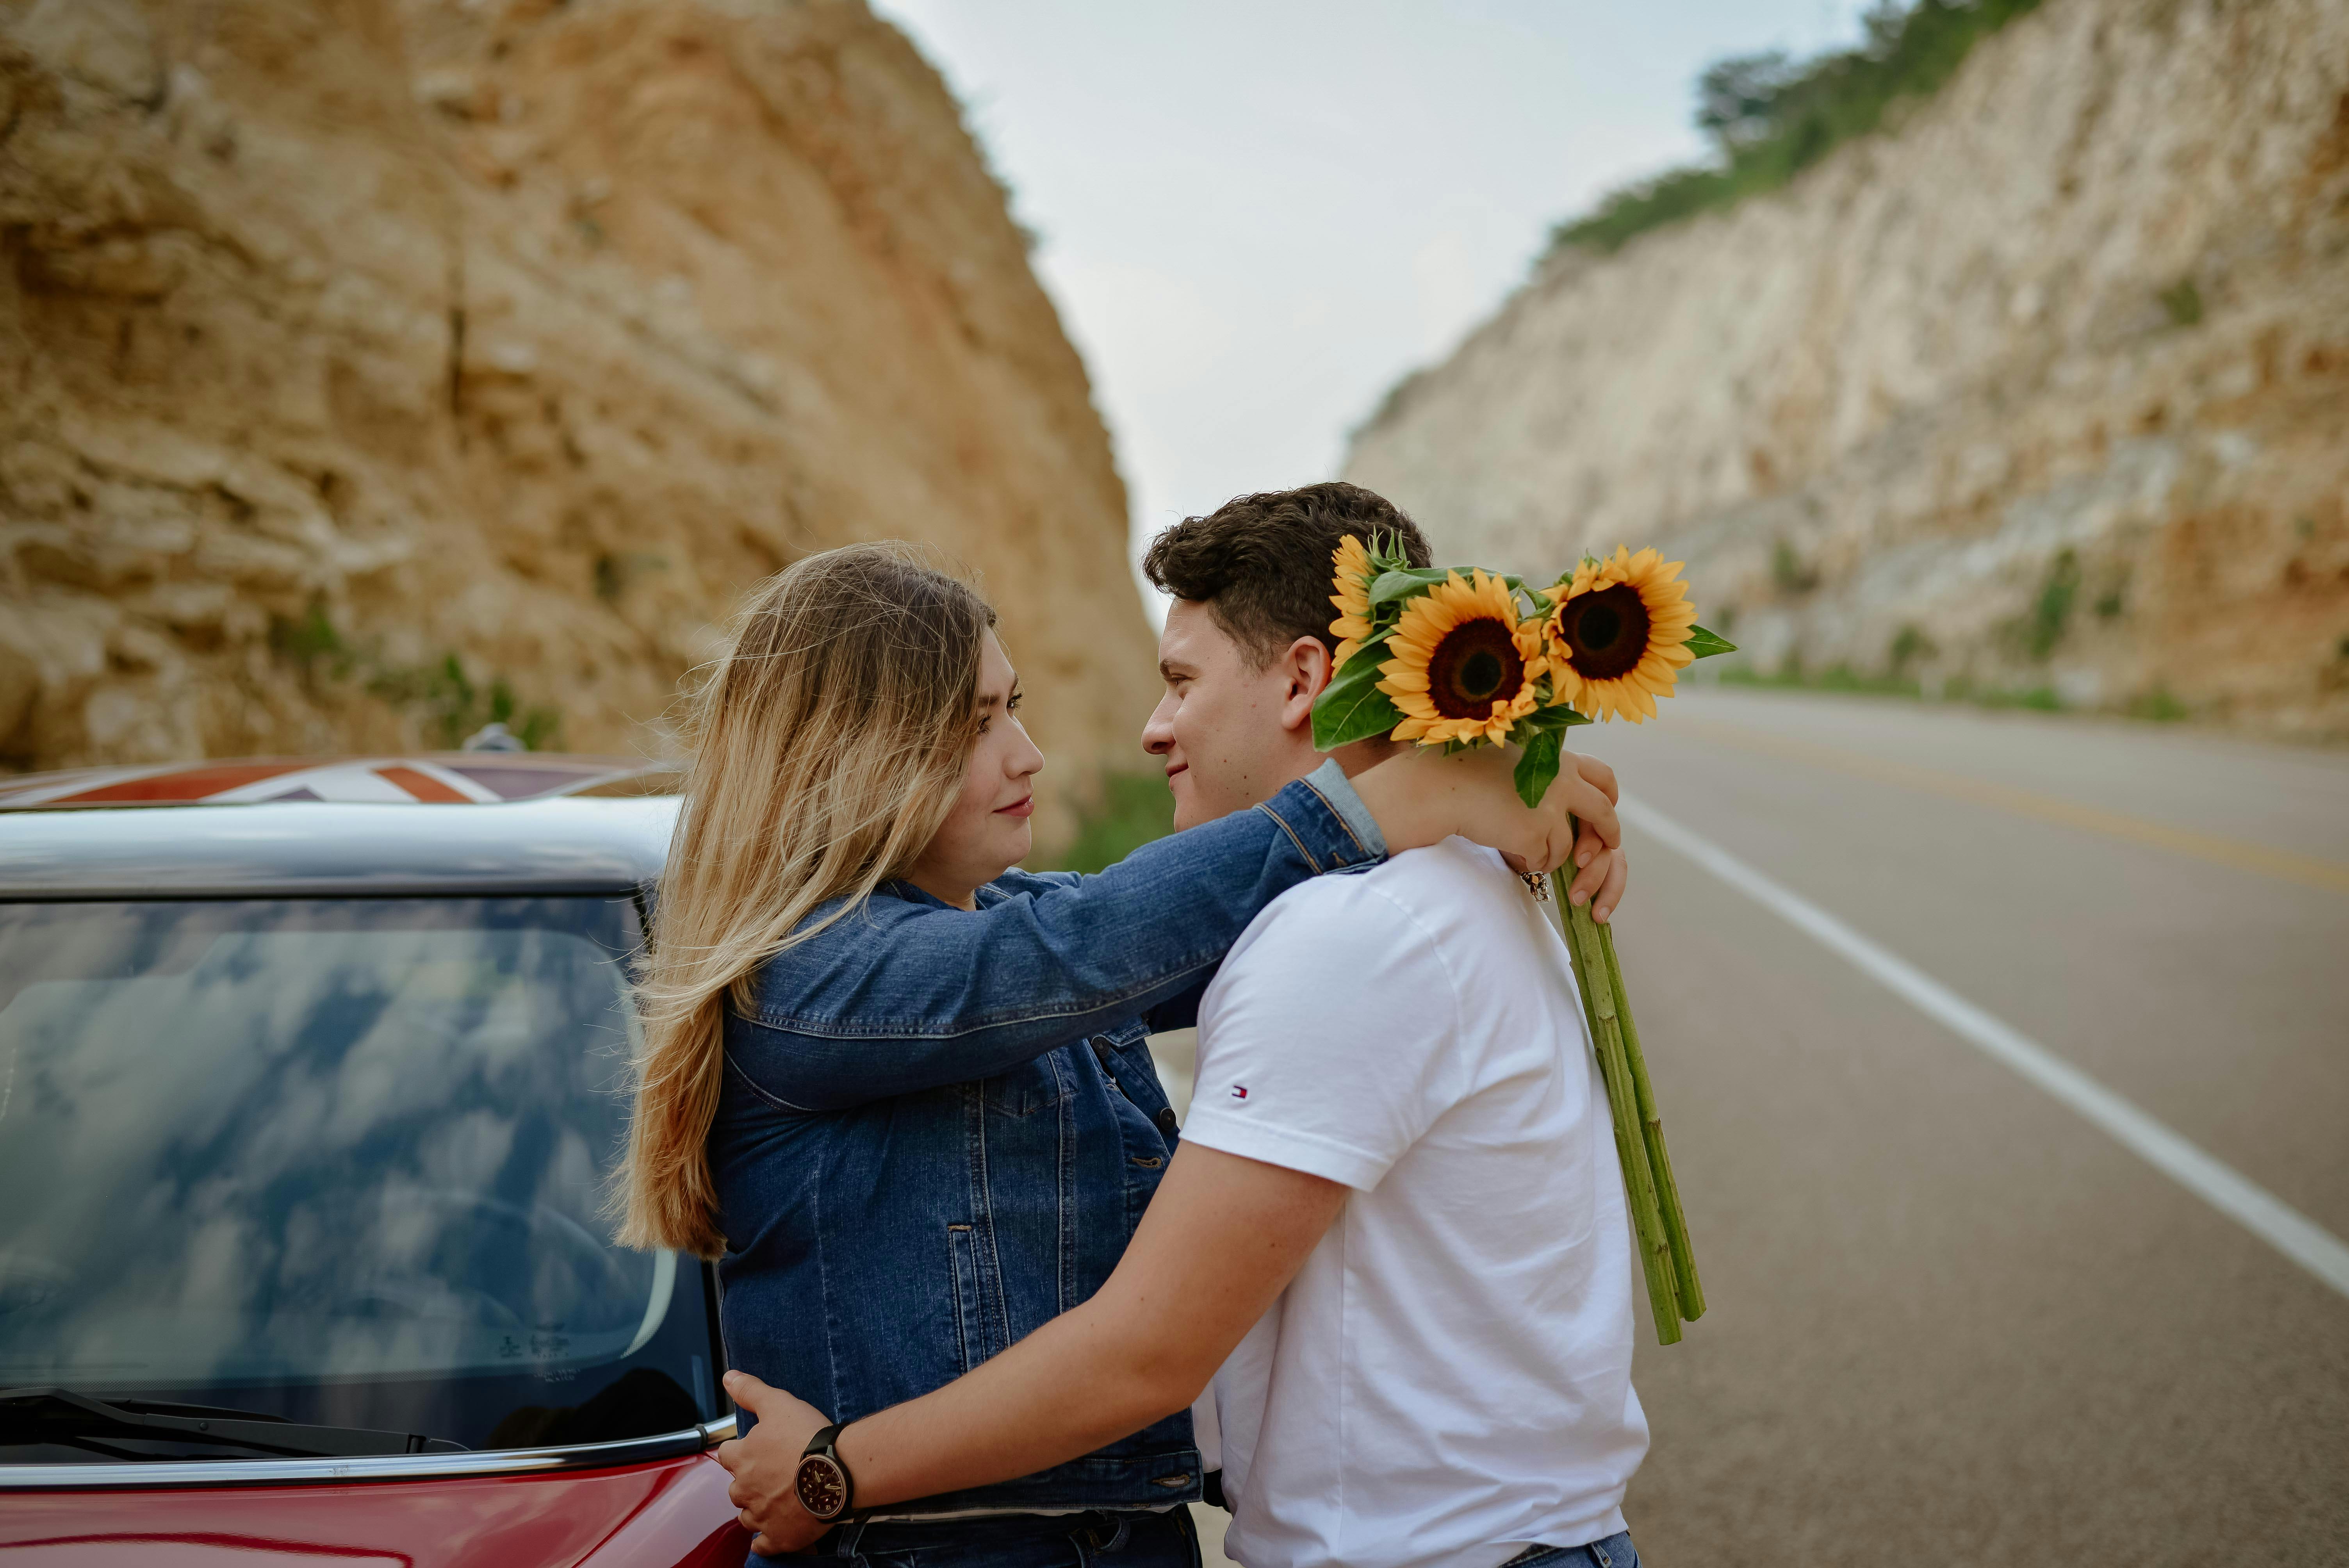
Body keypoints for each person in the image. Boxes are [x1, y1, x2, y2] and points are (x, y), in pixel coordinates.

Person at [616, 535, 1629, 1568]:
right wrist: (1381, 807)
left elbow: (1182, 936)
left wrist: (1469, 817)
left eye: (1012, 707)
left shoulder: (1001, 930)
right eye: (976, 724)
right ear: (852, 757)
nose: (1027, 754)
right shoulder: (807, 982)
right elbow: (1087, 948)